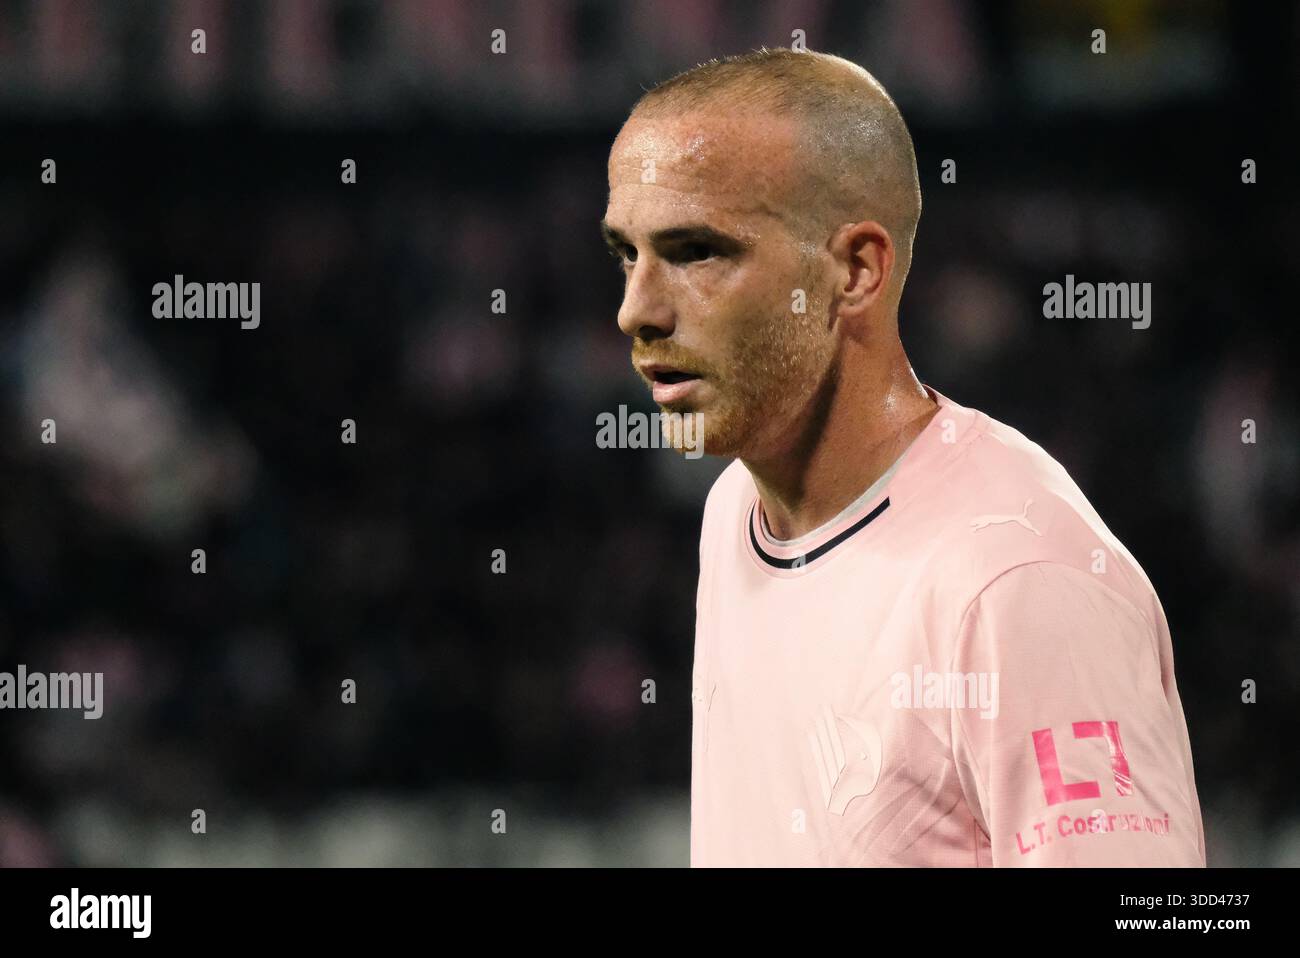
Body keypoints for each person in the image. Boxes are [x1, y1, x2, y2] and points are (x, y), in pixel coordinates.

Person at [601, 48, 1204, 866]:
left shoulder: (1018, 583)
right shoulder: (735, 510)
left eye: (697, 252)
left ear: (855, 271)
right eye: (627, 254)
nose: (638, 309)